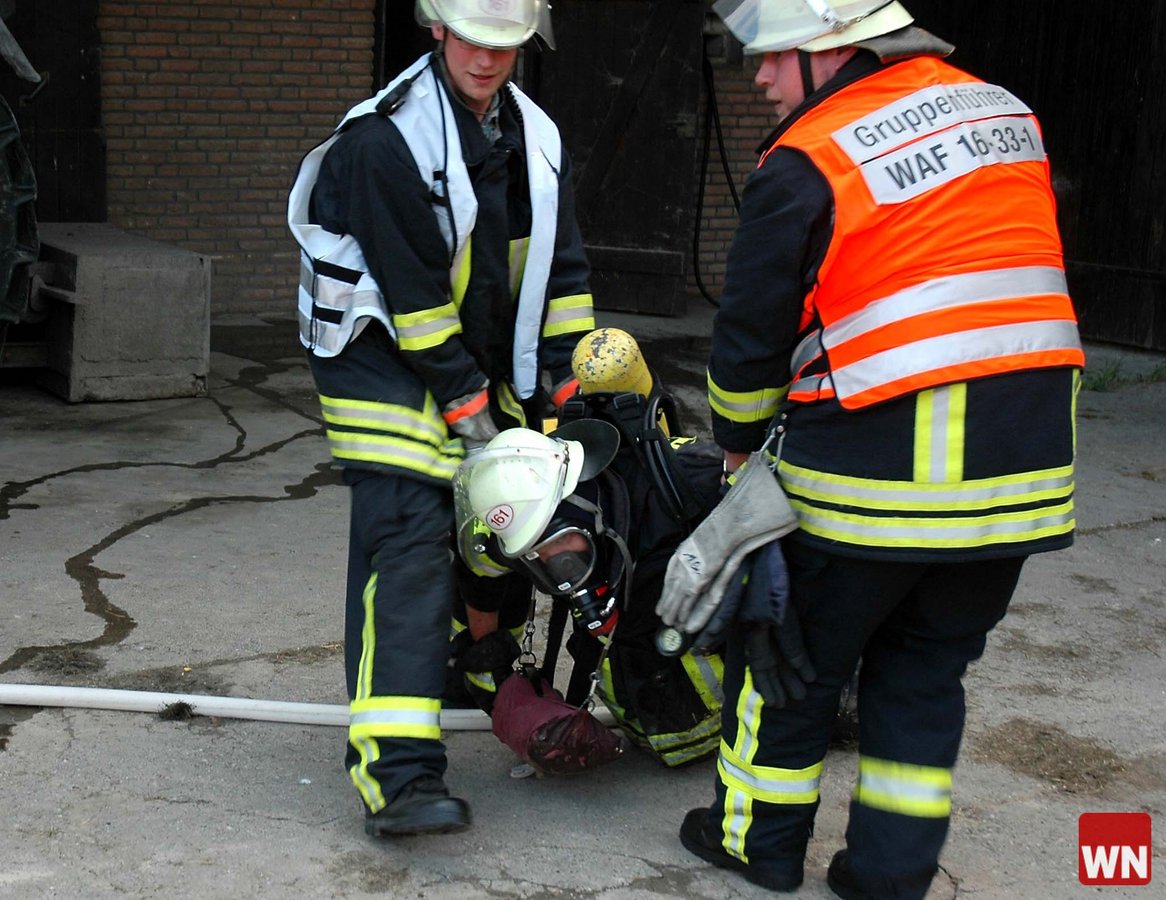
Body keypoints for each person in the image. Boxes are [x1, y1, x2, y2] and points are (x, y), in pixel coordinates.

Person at [678, 1, 1085, 896]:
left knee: (788, 666)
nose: (760, 75)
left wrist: (738, 451)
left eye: (775, 57)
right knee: (924, 675)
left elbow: (749, 340)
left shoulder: (809, 156)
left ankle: (756, 844)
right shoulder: (1005, 115)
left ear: (834, 48)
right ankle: (890, 873)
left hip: (867, 486)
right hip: (1020, 480)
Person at [286, 0, 596, 838]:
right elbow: (418, 304)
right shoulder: (384, 142)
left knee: (505, 526)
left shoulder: (533, 138)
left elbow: (560, 277)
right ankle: (399, 775)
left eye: (506, 43)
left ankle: (473, 670)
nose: (489, 60)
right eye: (474, 39)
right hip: (378, 362)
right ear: (436, 29)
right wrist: (476, 415)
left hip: (466, 357)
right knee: (413, 543)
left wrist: (569, 394)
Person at [450, 344, 728, 768]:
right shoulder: (520, 519)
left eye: (561, 542)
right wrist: (501, 684)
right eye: (537, 555)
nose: (556, 562)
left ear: (581, 506)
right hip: (639, 696)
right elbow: (481, 574)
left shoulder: (692, 489)